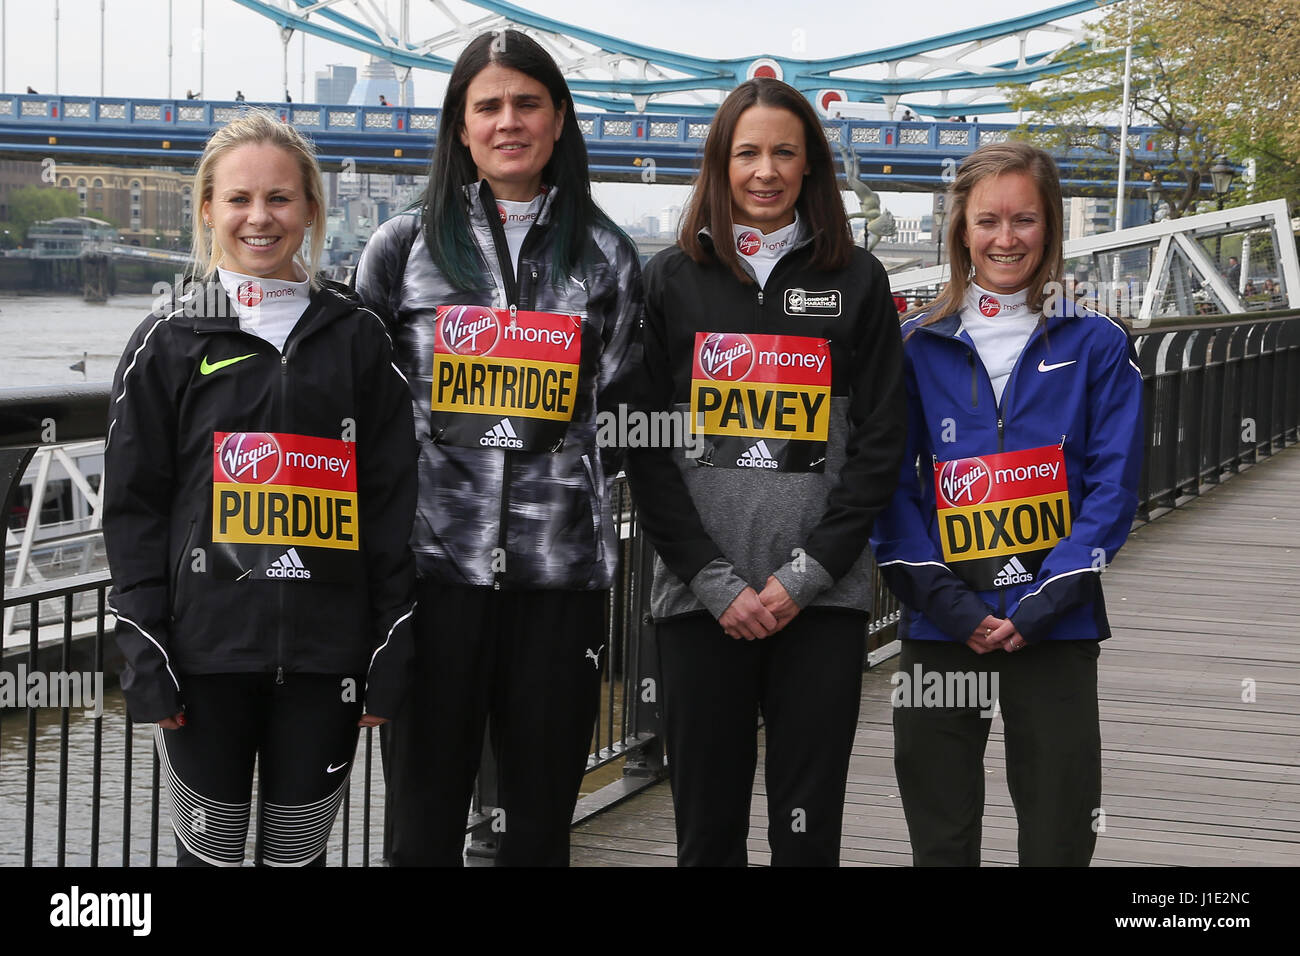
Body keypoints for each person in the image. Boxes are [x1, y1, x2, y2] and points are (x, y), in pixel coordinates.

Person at [354, 28, 642, 867]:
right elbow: (367, 405)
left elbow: (617, 408)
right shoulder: (401, 248)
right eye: (488, 106)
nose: (508, 121)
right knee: (421, 826)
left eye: (527, 103)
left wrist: (555, 491)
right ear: (459, 125)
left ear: (558, 119)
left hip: (560, 587)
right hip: (432, 582)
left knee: (541, 828)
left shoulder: (608, 254)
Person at [102, 110, 417, 867]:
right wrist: (147, 652)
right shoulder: (166, 338)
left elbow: (391, 502)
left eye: (280, 198)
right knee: (205, 863)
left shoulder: (359, 336)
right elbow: (134, 511)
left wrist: (390, 644)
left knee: (297, 863)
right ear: (207, 209)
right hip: (205, 657)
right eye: (239, 199)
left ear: (311, 208)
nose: (259, 218)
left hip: (325, 662)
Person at [624, 77, 907, 866]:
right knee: (707, 834)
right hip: (698, 603)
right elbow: (642, 446)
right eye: (747, 152)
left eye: (786, 152)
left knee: (806, 834)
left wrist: (809, 574)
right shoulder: (669, 281)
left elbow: (883, 441)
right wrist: (713, 580)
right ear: (719, 165)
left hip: (820, 604)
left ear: (811, 167)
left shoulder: (859, 280)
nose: (766, 171)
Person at [870, 141, 1143, 866]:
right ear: (962, 228)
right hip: (940, 622)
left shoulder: (1098, 344)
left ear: (1050, 228)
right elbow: (889, 490)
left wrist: (1042, 601)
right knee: (941, 838)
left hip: (1057, 620)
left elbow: (1113, 488)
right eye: (988, 220)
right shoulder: (912, 347)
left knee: (1058, 835)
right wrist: (953, 605)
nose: (1005, 238)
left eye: (1024, 220)